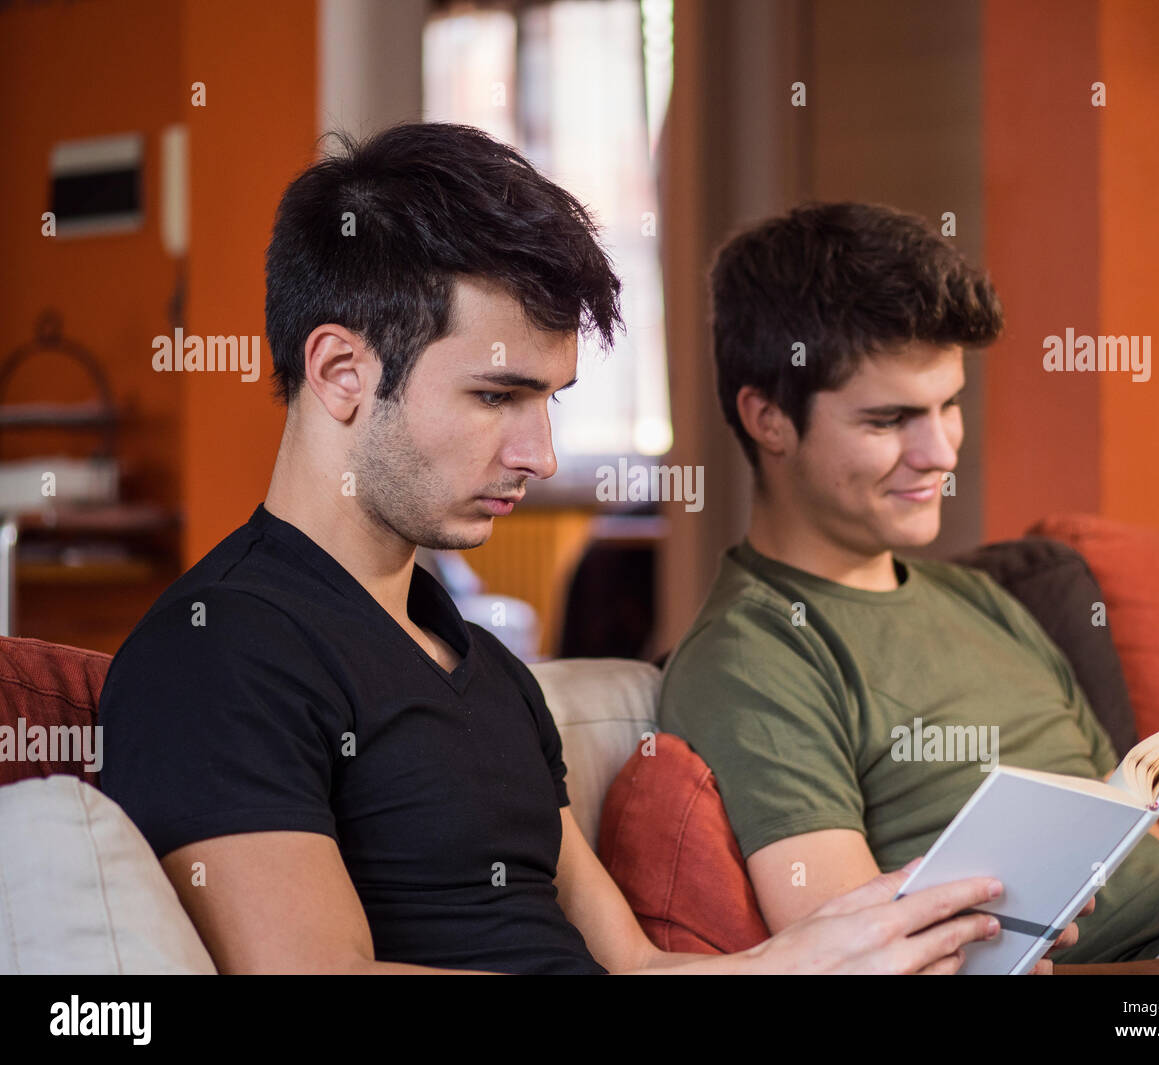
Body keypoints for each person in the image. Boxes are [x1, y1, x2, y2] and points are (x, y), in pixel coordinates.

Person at [97, 123, 1037, 975]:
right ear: (342, 371)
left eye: (551, 399)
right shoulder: (217, 650)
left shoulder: (492, 672)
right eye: (496, 396)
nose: (539, 454)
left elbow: (634, 967)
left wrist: (837, 947)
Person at [656, 201, 1159, 974]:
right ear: (768, 418)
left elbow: (1156, 859)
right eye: (891, 418)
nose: (938, 451)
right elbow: (876, 970)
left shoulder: (982, 602)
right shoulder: (754, 655)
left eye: (949, 404)